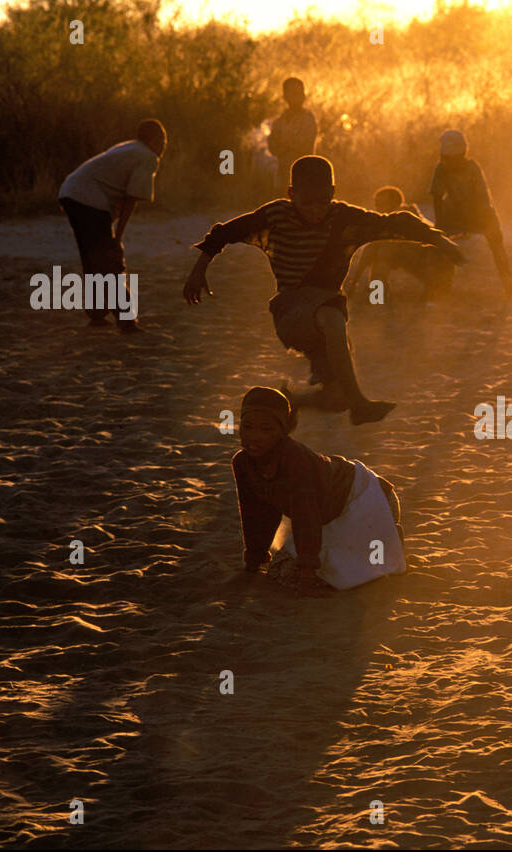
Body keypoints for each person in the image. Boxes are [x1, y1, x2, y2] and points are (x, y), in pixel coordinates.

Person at [184, 155, 465, 425]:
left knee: (335, 399)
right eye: (307, 203)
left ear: (333, 191)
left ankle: (289, 400)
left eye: (323, 201)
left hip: (328, 322)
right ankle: (360, 403)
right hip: (292, 311)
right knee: (332, 316)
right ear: (292, 193)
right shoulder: (276, 214)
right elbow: (225, 232)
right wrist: (198, 270)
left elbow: (393, 223)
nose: (316, 210)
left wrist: (439, 240)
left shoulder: (343, 217)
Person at [232, 386, 405, 594]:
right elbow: (255, 512)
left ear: (282, 432)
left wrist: (307, 573)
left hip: (368, 500)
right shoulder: (242, 463)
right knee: (279, 573)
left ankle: (389, 533)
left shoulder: (295, 460)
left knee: (305, 576)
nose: (255, 436)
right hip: (327, 516)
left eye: (266, 429)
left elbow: (306, 516)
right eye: (248, 427)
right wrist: (255, 555)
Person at [58, 119, 165, 331]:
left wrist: (111, 230)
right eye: (163, 141)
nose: (163, 148)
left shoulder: (128, 147)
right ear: (155, 140)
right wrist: (117, 237)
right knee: (108, 259)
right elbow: (130, 199)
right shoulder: (148, 157)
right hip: (88, 199)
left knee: (92, 256)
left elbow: (114, 195)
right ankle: (126, 320)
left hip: (70, 192)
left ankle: (97, 314)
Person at [429, 129, 512, 298]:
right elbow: (437, 197)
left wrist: (476, 223)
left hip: (481, 213)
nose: (449, 162)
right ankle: (441, 286)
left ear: (463, 154)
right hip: (455, 213)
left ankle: (509, 287)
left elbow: (481, 200)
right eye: (446, 158)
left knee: (497, 246)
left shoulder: (473, 168)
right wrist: (440, 226)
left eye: (453, 158)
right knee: (439, 247)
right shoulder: (441, 169)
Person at [344, 186, 455, 303]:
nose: (376, 207)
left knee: (382, 251)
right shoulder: (389, 220)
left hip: (429, 264)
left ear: (393, 203)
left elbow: (371, 249)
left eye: (380, 203)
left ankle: (378, 297)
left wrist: (355, 280)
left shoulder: (407, 219)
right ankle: (377, 297)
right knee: (381, 253)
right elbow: (370, 249)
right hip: (416, 260)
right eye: (376, 203)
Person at [267, 77, 320, 196]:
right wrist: (287, 145)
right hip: (282, 179)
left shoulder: (308, 118)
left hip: (304, 177)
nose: (300, 97)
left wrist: (284, 145)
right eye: (295, 94)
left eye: (301, 93)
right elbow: (272, 146)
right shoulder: (280, 120)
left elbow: (304, 144)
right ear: (285, 97)